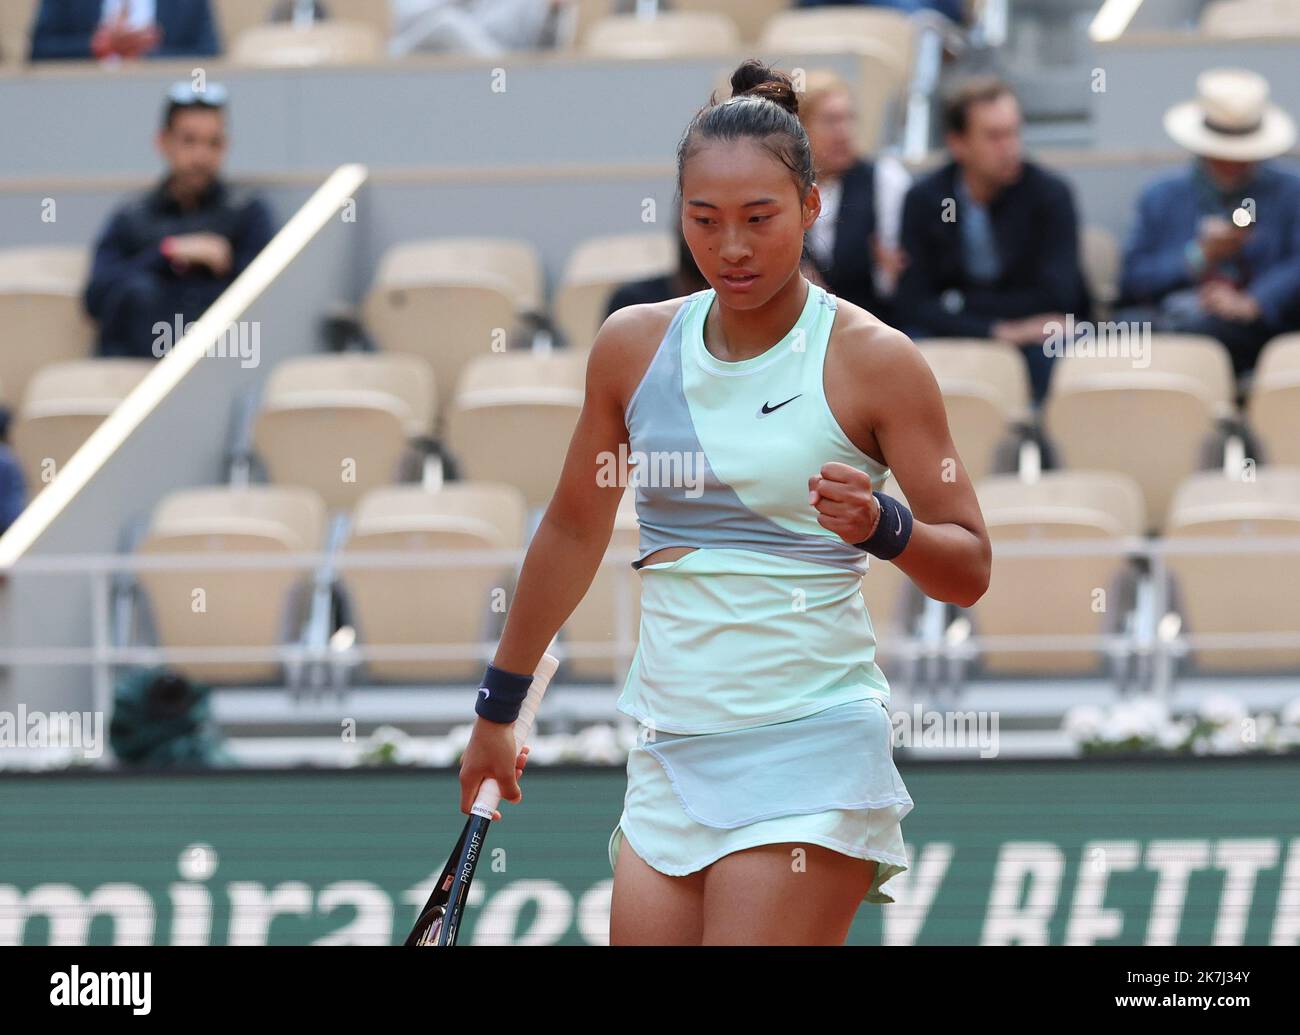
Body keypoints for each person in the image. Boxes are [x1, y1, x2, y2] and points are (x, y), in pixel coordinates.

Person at [458, 59, 990, 945]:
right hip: (671, 749)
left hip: (810, 745)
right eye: (705, 220)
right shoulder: (632, 347)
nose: (732, 248)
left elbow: (969, 564)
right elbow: (572, 529)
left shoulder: (876, 359)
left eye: (759, 219)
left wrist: (885, 525)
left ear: (812, 208)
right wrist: (496, 710)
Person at [894, 75, 1091, 406]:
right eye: (995, 136)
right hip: (970, 331)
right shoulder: (926, 199)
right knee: (906, 351)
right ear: (958, 143)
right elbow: (912, 303)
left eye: (1014, 132)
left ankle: (1046, 452)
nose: (1010, 147)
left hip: (1037, 334)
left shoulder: (1050, 195)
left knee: (1059, 346)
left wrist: (959, 303)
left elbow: (1058, 294)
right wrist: (997, 330)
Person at [1117, 68, 1300, 380]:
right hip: (1176, 318)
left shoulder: (1289, 194)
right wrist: (1199, 255)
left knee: (1206, 336)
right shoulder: (1162, 196)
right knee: (1118, 335)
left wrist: (1255, 301)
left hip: (1257, 329)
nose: (1232, 162)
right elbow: (1134, 280)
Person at [83, 81, 276, 359]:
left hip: (221, 366)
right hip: (135, 371)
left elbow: (267, 301)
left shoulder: (248, 212)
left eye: (214, 142)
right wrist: (167, 252)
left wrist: (225, 265)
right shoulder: (132, 216)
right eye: (189, 140)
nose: (201, 156)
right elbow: (96, 298)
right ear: (163, 142)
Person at [799, 68, 912, 322]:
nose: (843, 132)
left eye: (849, 119)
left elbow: (897, 281)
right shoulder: (785, 186)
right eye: (830, 121)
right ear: (800, 127)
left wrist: (891, 272)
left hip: (873, 325)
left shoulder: (885, 179)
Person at [29, 0, 220, 62]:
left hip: (161, 99)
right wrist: (95, 47)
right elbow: (38, 51)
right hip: (81, 101)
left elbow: (209, 57)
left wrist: (148, 55)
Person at [387, 0, 571, 58]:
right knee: (447, 25)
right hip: (428, 83)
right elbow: (406, 26)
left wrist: (553, 14)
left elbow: (544, 51)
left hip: (502, 88)